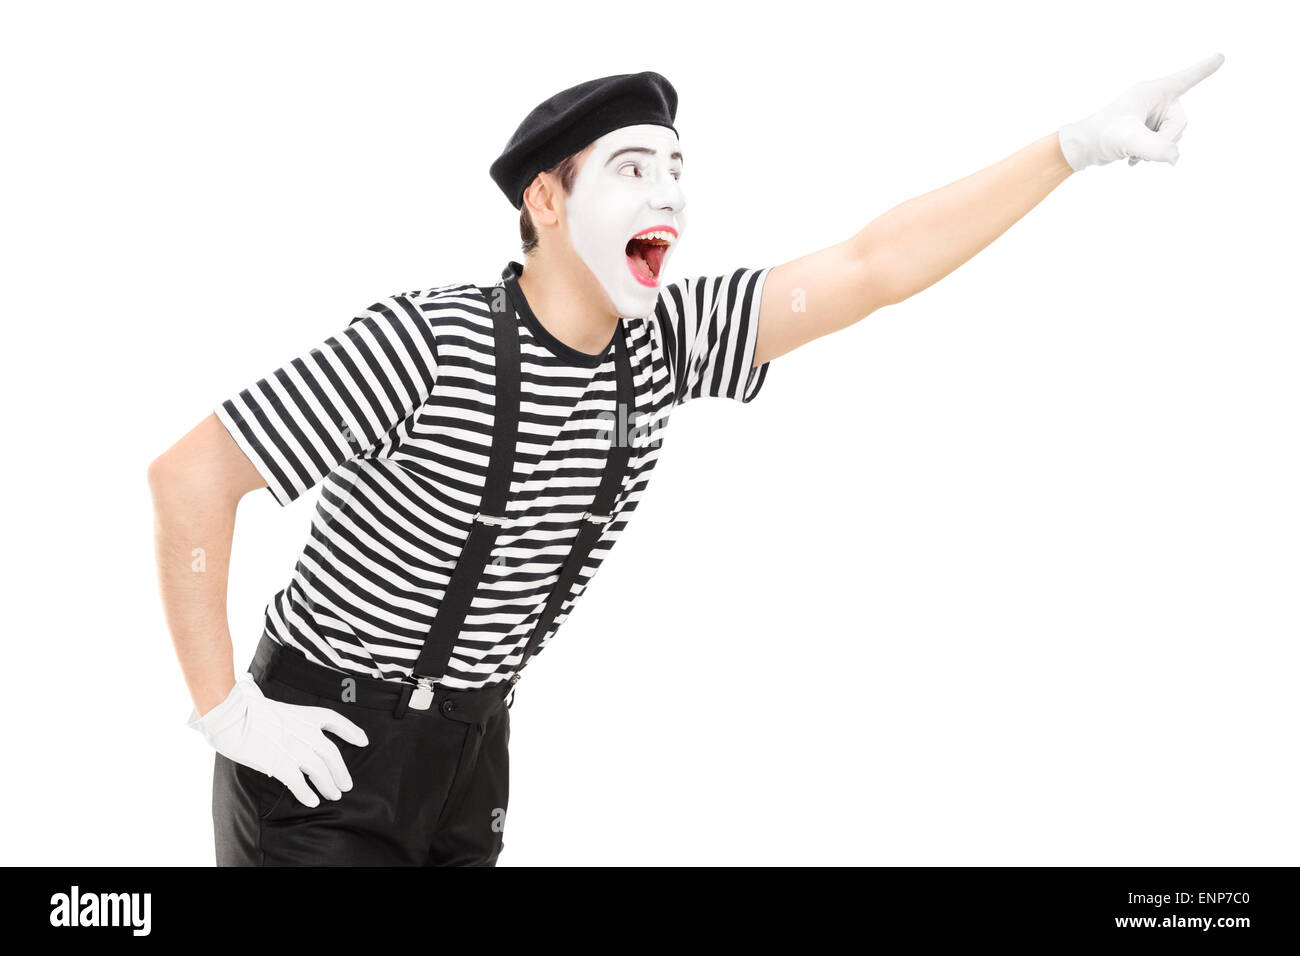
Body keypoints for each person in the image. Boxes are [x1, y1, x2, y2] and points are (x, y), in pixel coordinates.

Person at [148, 59, 1225, 866]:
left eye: (675, 170)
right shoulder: (425, 344)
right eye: (631, 168)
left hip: (473, 746)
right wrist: (228, 710)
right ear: (545, 201)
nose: (666, 192)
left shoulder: (665, 342)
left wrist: (1070, 149)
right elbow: (191, 477)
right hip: (322, 741)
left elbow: (872, 265)